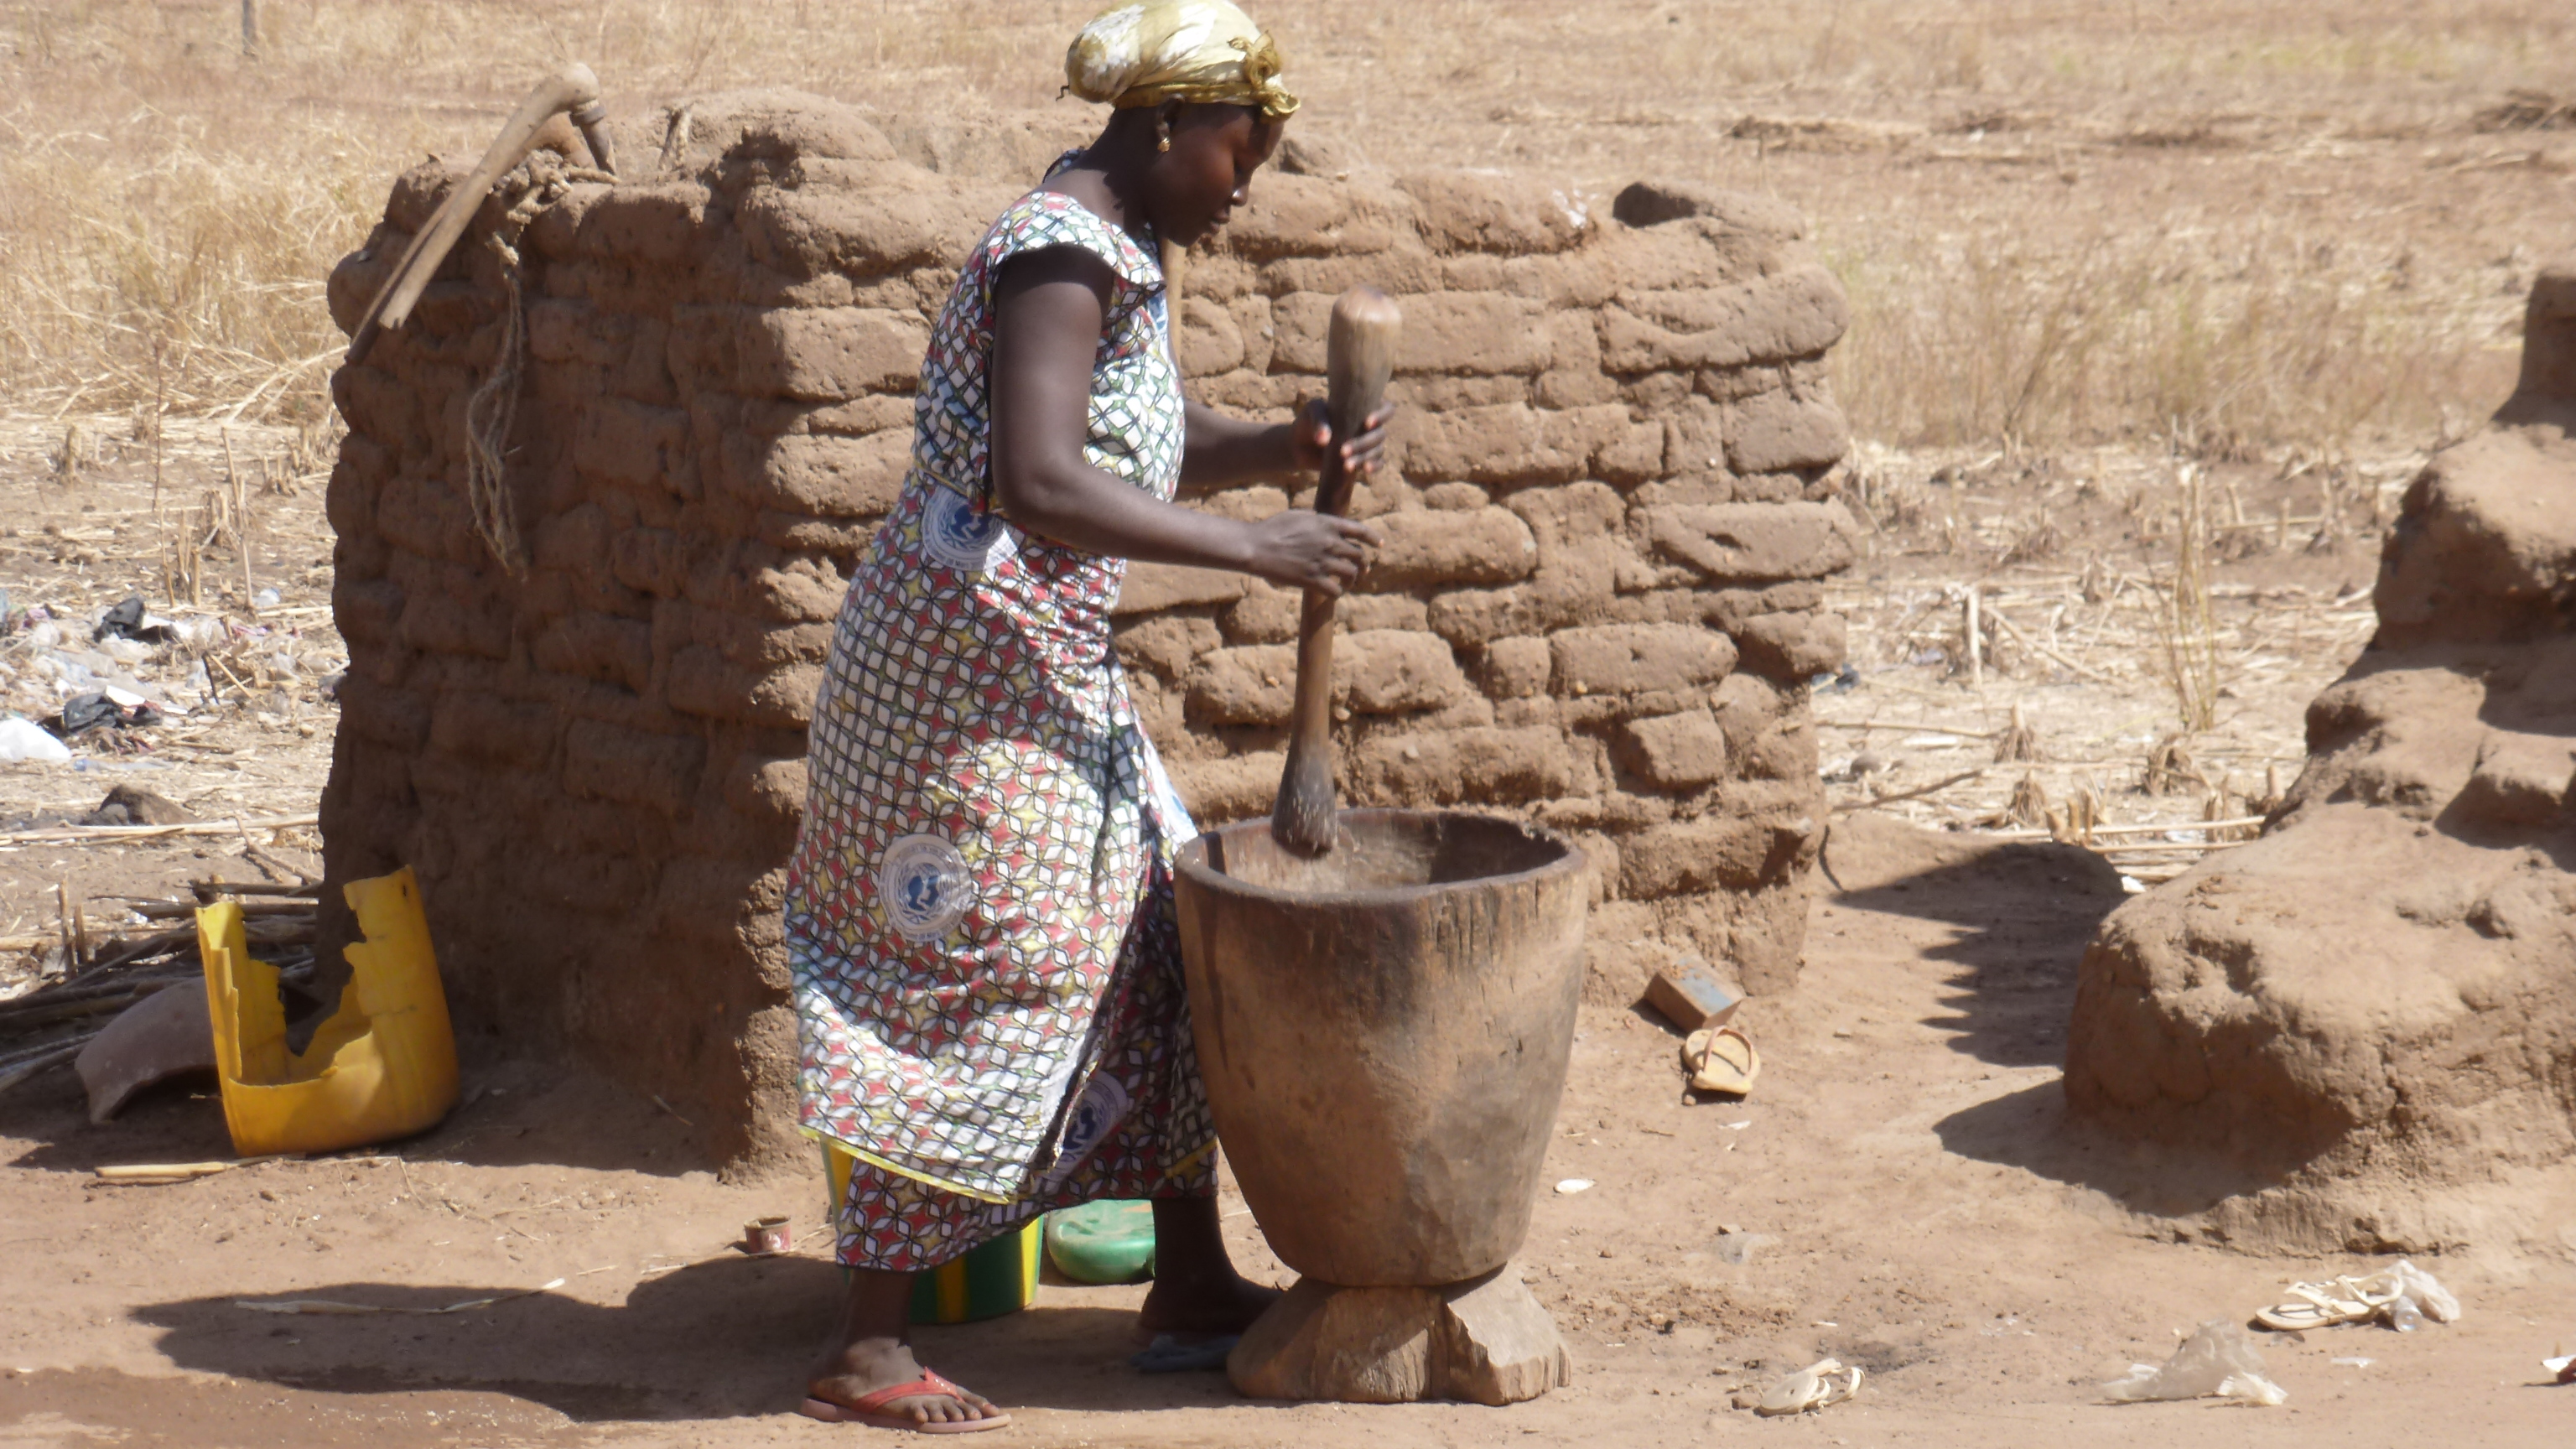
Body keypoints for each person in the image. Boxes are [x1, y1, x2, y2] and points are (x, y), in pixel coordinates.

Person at [783, 2, 1387, 1431]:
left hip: (1042, 674)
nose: (1250, 180)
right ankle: (869, 1340)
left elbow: (1137, 447)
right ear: (1169, 125)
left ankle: (1185, 1282)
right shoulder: (1058, 254)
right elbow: (1042, 483)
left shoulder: (1123, 251)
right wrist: (1255, 548)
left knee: (1165, 934)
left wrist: (1275, 449)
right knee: (974, 957)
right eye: (1243, 147)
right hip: (955, 689)